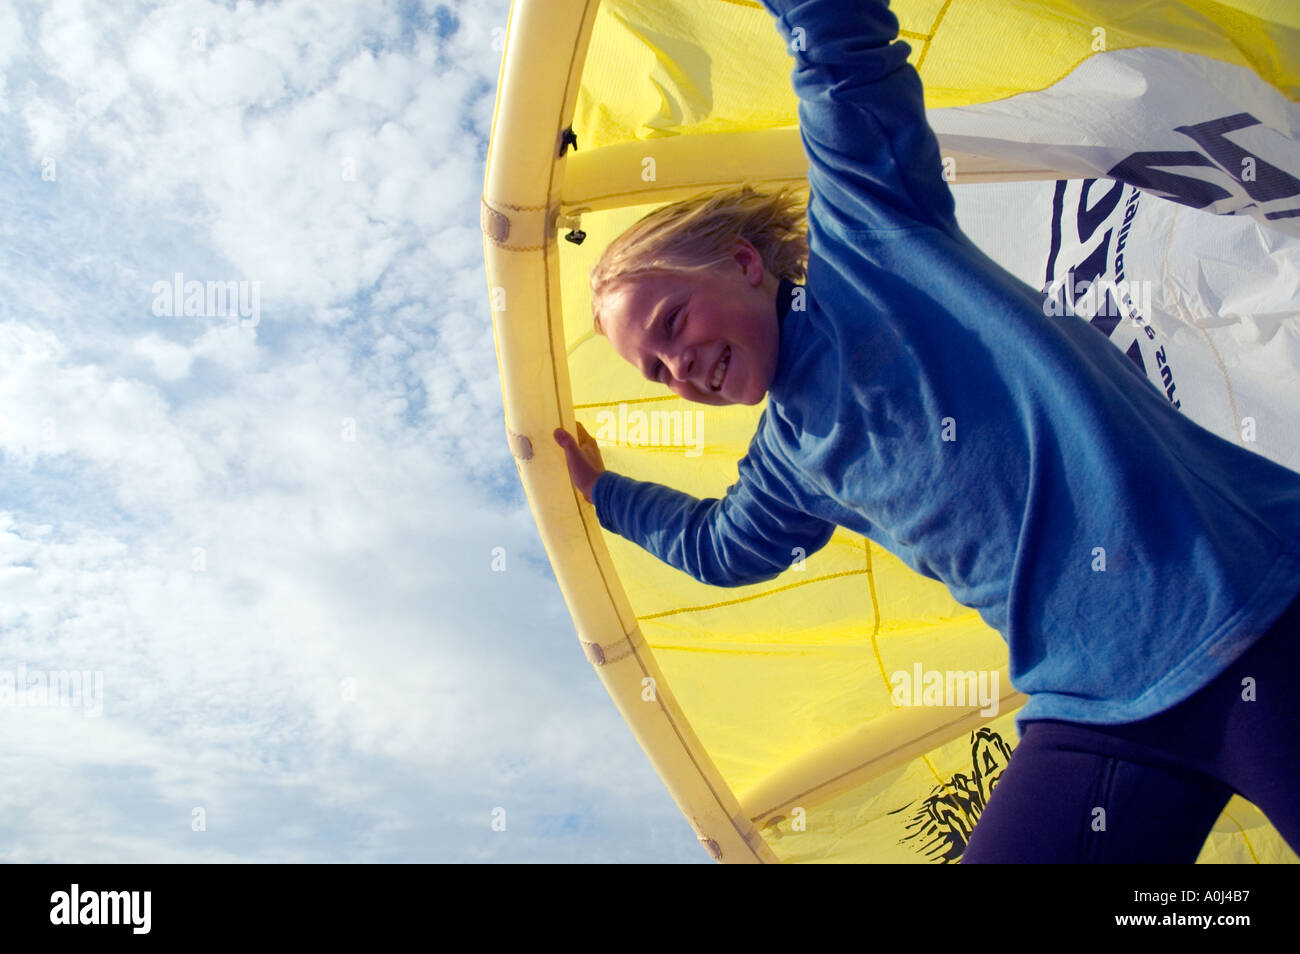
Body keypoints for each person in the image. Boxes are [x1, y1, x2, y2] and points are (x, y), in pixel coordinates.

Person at [553, 0, 1300, 863]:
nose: (677, 368)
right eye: (655, 371)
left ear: (745, 263)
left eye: (673, 323)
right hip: (1095, 708)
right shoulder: (790, 464)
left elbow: (842, 50)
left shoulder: (869, 233)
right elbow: (717, 547)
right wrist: (606, 495)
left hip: (1250, 609)